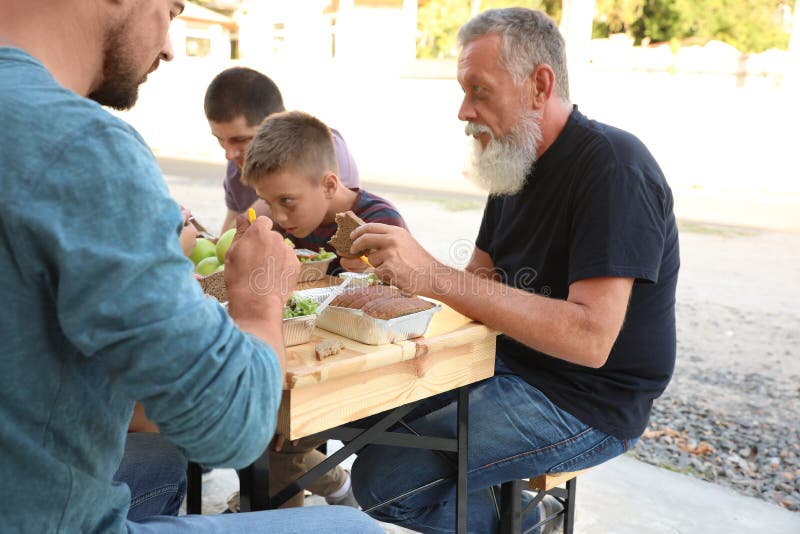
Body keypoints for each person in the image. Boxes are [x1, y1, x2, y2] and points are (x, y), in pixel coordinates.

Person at [0, 1, 382, 532]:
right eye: (172, 10)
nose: (169, 47)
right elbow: (232, 427)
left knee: (161, 459)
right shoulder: (82, 144)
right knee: (355, 528)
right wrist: (257, 297)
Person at [347, 8, 680, 533]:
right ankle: (521, 515)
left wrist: (430, 274)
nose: (463, 111)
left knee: (384, 479)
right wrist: (394, 277)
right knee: (357, 412)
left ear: (538, 85)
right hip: (508, 365)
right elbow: (480, 287)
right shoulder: (517, 160)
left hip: (589, 401)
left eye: (478, 91)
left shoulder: (615, 168)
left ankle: (527, 523)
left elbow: (591, 339)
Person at [221, 109, 407, 511]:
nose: (279, 216)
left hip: (358, 374)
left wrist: (374, 272)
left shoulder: (378, 223)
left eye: (286, 201)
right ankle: (303, 496)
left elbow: (400, 302)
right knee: (255, 427)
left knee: (273, 443)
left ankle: (322, 494)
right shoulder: (287, 226)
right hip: (298, 363)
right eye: (269, 202)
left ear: (328, 184)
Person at [204, 67, 361, 235]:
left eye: (241, 140)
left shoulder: (319, 146)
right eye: (220, 139)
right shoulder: (237, 161)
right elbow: (229, 231)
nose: (229, 154)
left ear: (275, 123)